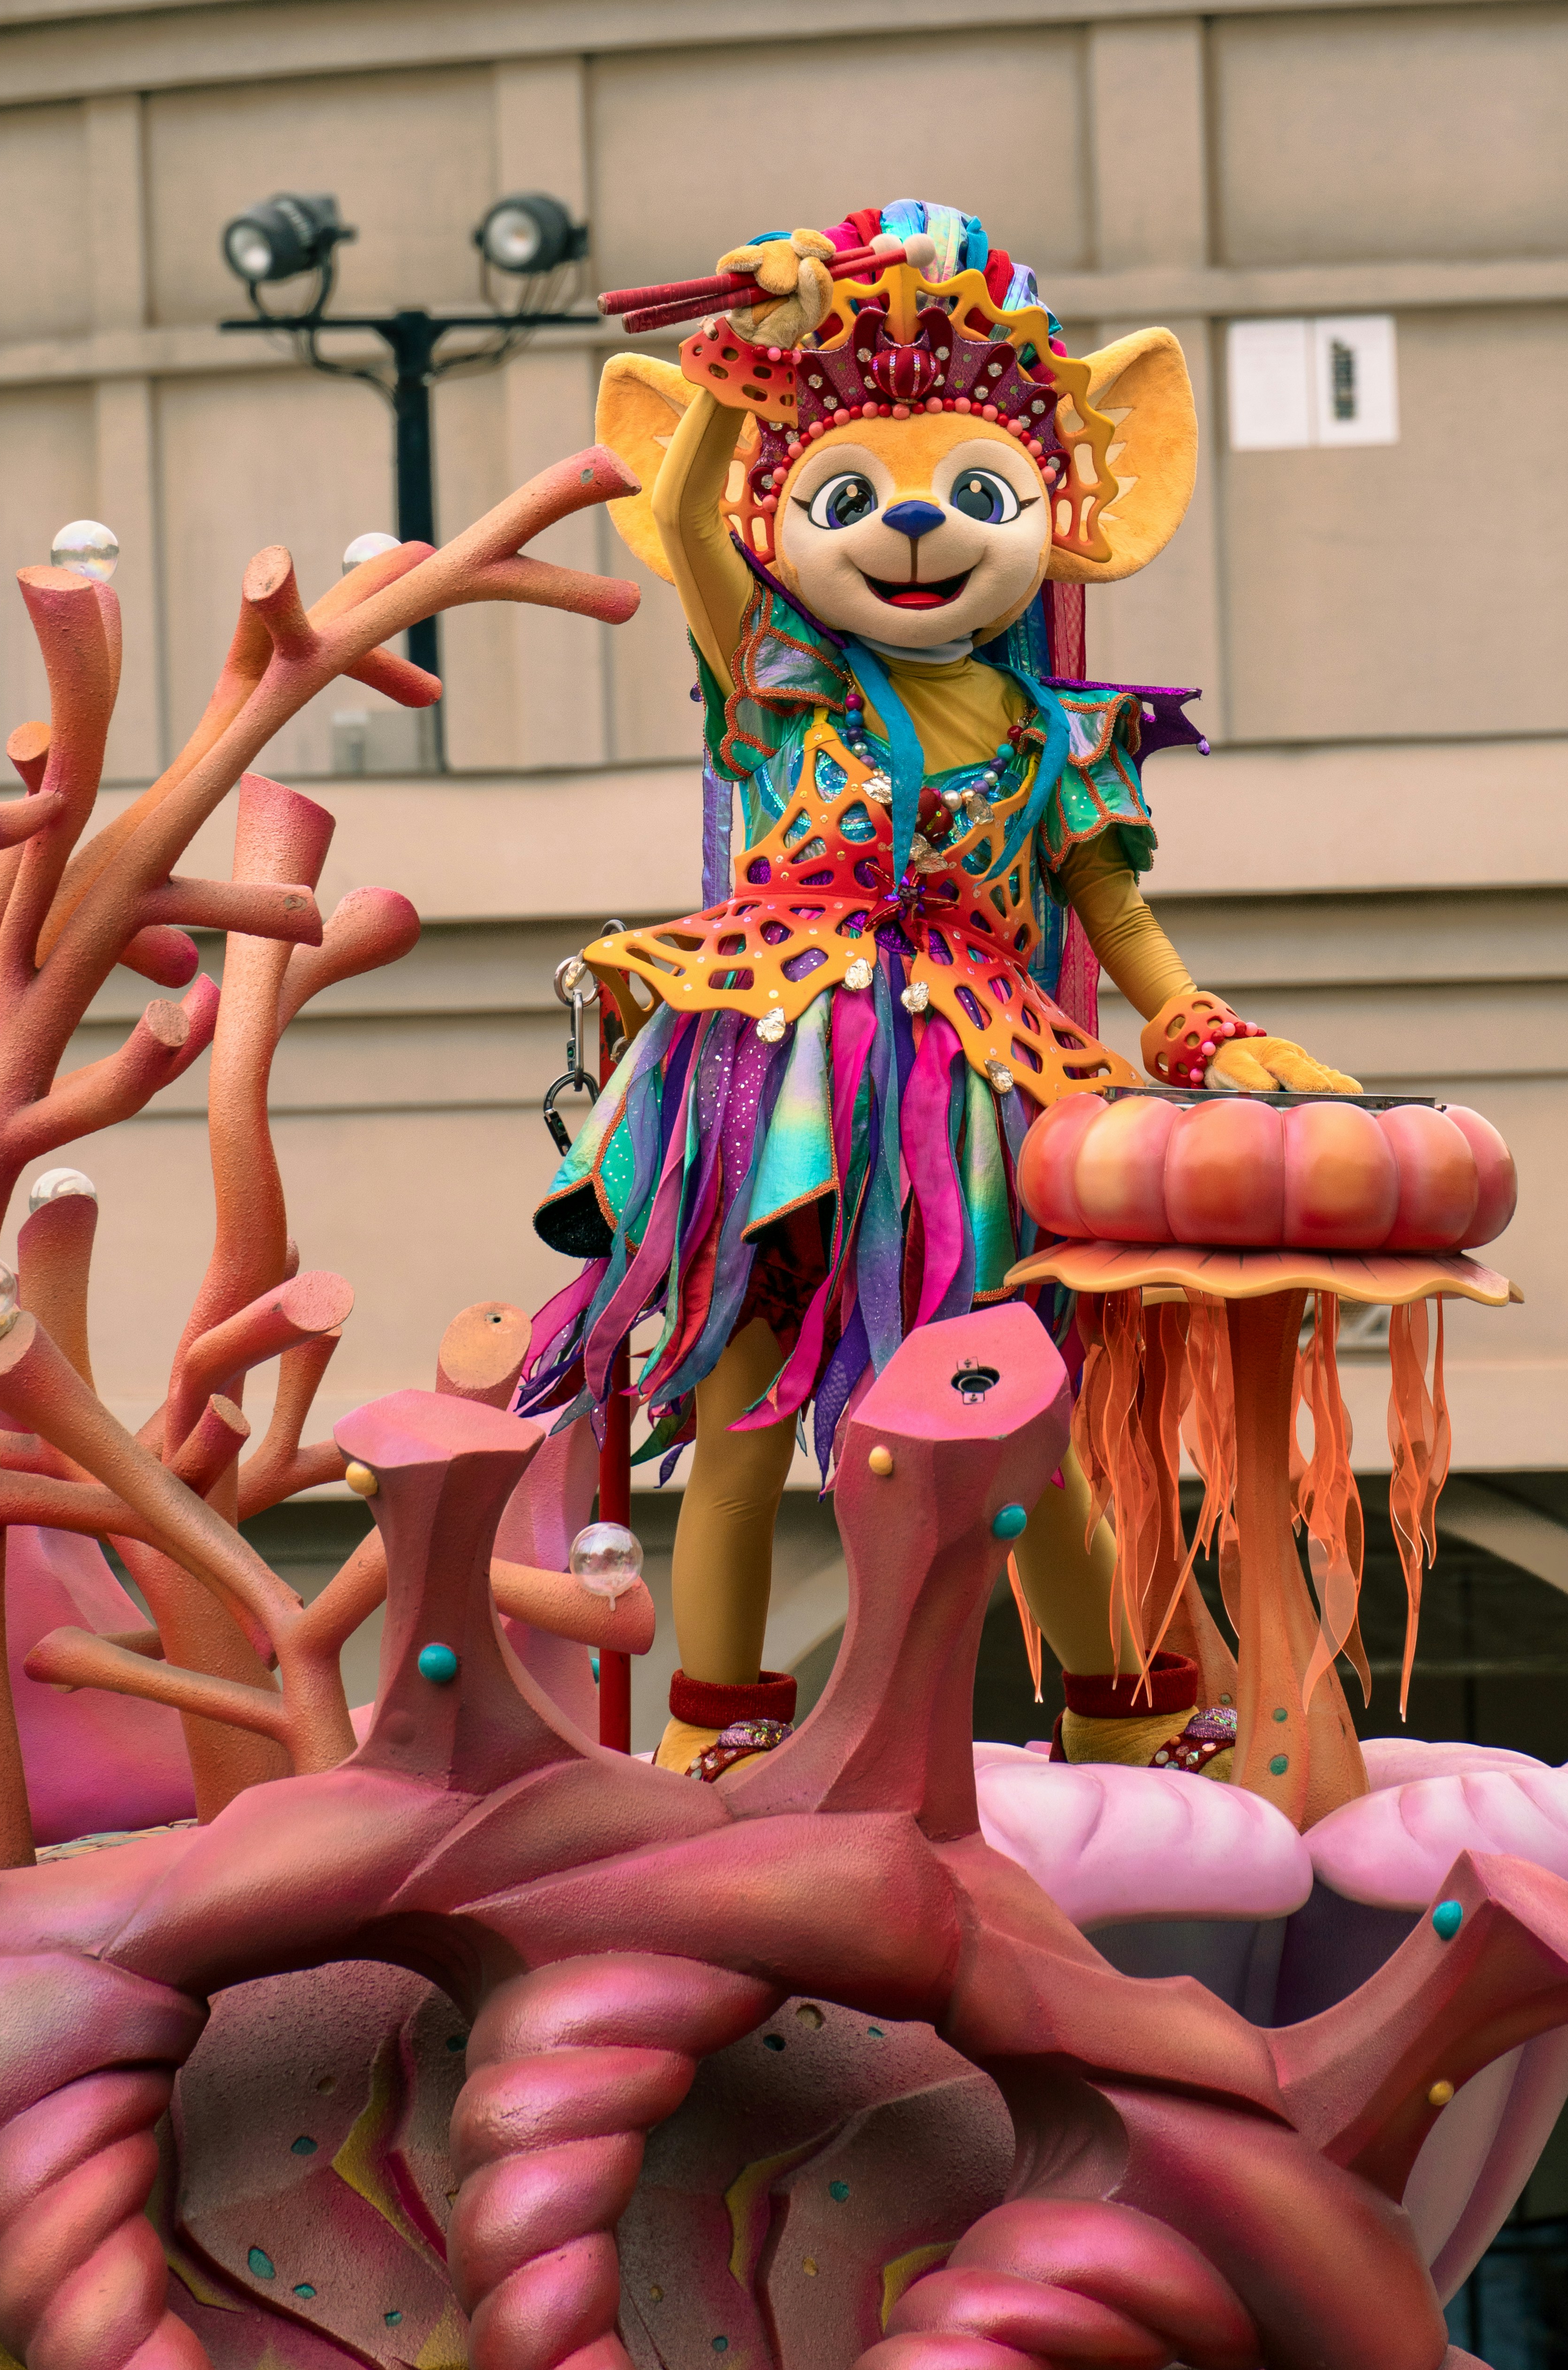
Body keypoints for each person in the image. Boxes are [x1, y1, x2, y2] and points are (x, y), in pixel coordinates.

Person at [520, 200, 1354, 1774]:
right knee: (743, 1415)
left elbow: (1111, 913)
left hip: (971, 1100)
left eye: (974, 490)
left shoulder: (1061, 739)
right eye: (854, 496)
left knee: (1011, 1422)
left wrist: (1199, 1027)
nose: (916, 528)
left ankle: (1131, 1714)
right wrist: (747, 372)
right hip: (772, 1084)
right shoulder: (776, 682)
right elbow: (689, 520)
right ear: (792, 523)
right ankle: (724, 1727)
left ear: (1060, 511)